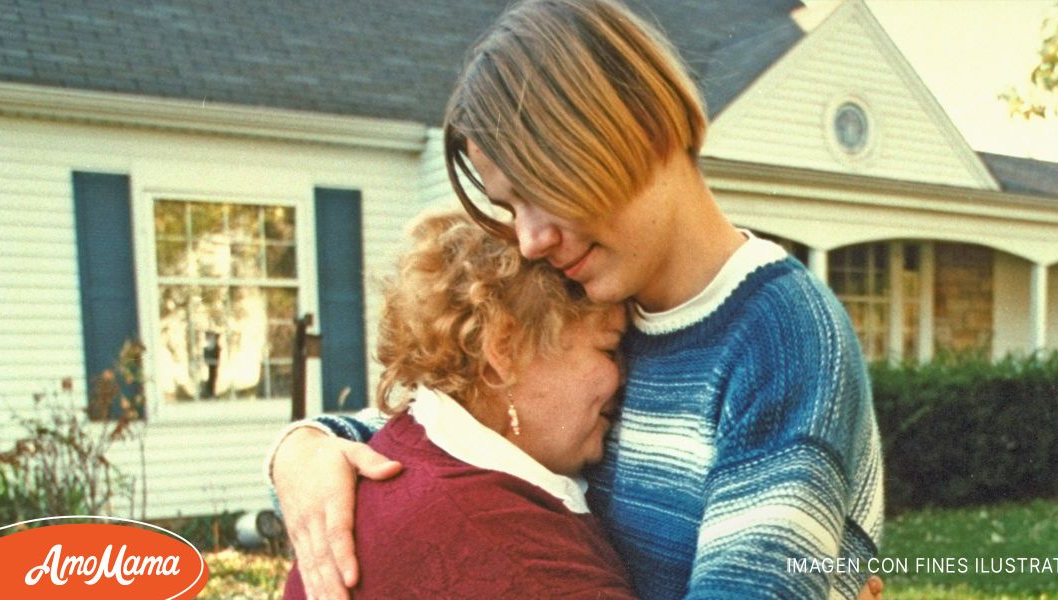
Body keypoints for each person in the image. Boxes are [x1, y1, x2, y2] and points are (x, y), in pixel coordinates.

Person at [269, 0, 884, 598]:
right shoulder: (606, 299)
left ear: (637, 127)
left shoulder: (780, 336)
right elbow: (465, 423)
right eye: (510, 207)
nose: (530, 240)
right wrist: (306, 448)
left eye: (540, 187)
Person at [283, 210, 636, 598]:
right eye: (609, 348)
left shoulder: (395, 452)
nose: (624, 377)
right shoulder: (536, 566)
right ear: (505, 349)